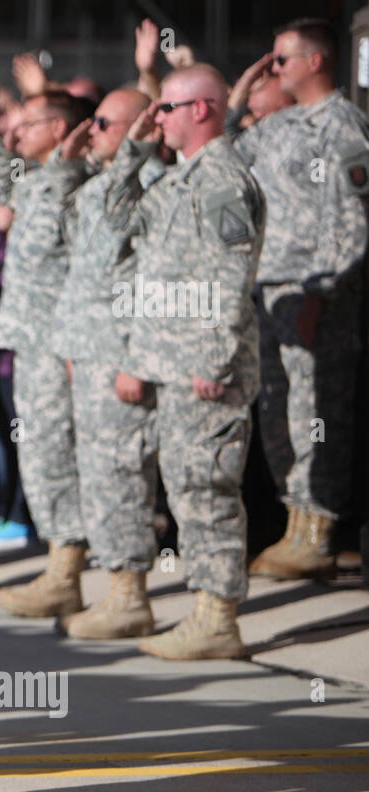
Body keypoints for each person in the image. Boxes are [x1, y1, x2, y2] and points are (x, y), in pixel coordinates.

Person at [110, 66, 266, 660]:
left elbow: (231, 280)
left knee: (208, 490)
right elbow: (116, 219)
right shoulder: (180, 181)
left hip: (206, 371)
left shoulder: (223, 180)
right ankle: (205, 610)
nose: (159, 118)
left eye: (167, 109)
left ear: (202, 110)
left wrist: (216, 360)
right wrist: (134, 147)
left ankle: (217, 618)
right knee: (187, 487)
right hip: (176, 368)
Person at [228, 19, 369, 581]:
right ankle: (292, 522)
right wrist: (241, 93)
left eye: (281, 59)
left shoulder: (344, 127)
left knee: (316, 413)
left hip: (316, 298)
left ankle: (317, 530)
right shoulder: (279, 126)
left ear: (315, 62)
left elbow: (355, 223)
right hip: (270, 293)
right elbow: (224, 155)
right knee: (280, 412)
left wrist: (321, 289)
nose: (273, 67)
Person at [49, 88, 166, 639]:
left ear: (140, 127)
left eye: (102, 122)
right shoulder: (99, 186)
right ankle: (114, 585)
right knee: (98, 473)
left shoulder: (152, 189)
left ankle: (130, 596)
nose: (90, 130)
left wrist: (138, 359)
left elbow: (158, 283)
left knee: (124, 474)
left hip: (122, 355)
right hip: (91, 352)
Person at [0, 90, 95, 620]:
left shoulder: (78, 183)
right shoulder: (35, 180)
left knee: (58, 452)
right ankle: (59, 565)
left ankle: (68, 567)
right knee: (40, 454)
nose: (16, 131)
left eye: (27, 124)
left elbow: (86, 266)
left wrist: (77, 339)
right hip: (31, 340)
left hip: (59, 342)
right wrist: (6, 145)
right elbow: (2, 197)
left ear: (59, 127)